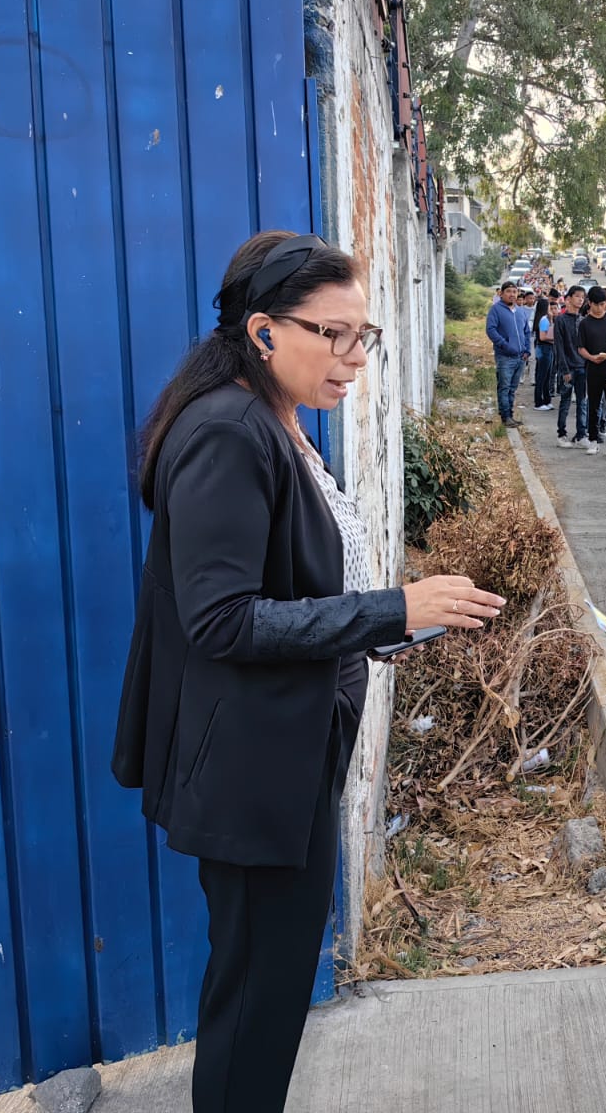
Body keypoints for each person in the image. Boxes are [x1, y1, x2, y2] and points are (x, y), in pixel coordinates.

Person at [112, 231, 504, 1111]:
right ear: (262, 332)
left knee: (266, 997)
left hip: (286, 761)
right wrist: (393, 611)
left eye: (361, 335)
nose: (352, 357)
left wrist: (398, 624)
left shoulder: (274, 420)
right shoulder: (226, 431)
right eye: (331, 334)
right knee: (255, 1007)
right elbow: (222, 619)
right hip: (254, 779)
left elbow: (294, 589)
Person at [577, 285, 606, 456]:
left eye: (603, 304)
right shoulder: (585, 323)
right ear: (590, 303)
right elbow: (580, 347)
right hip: (593, 369)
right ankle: (593, 440)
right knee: (593, 406)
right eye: (597, 305)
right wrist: (592, 358)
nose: (601, 308)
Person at [486, 279, 531, 427]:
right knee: (504, 387)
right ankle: (505, 417)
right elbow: (491, 330)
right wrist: (504, 345)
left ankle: (510, 415)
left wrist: (526, 350)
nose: (512, 294)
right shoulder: (496, 310)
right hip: (505, 356)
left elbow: (526, 331)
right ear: (502, 294)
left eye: (514, 292)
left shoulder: (520, 311)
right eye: (509, 292)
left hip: (520, 357)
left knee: (513, 388)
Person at [554, 285, 589, 446]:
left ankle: (581, 434)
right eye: (577, 296)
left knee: (582, 402)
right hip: (567, 367)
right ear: (568, 299)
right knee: (565, 401)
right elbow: (559, 347)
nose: (580, 299)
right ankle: (561, 434)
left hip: (582, 367)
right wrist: (564, 369)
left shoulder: (583, 321)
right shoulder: (560, 320)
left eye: (583, 297)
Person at [532, 292, 555, 410]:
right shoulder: (544, 320)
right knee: (542, 376)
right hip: (544, 348)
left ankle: (547, 400)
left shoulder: (546, 319)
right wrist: (554, 339)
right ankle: (538, 402)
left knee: (546, 376)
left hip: (547, 349)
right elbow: (543, 337)